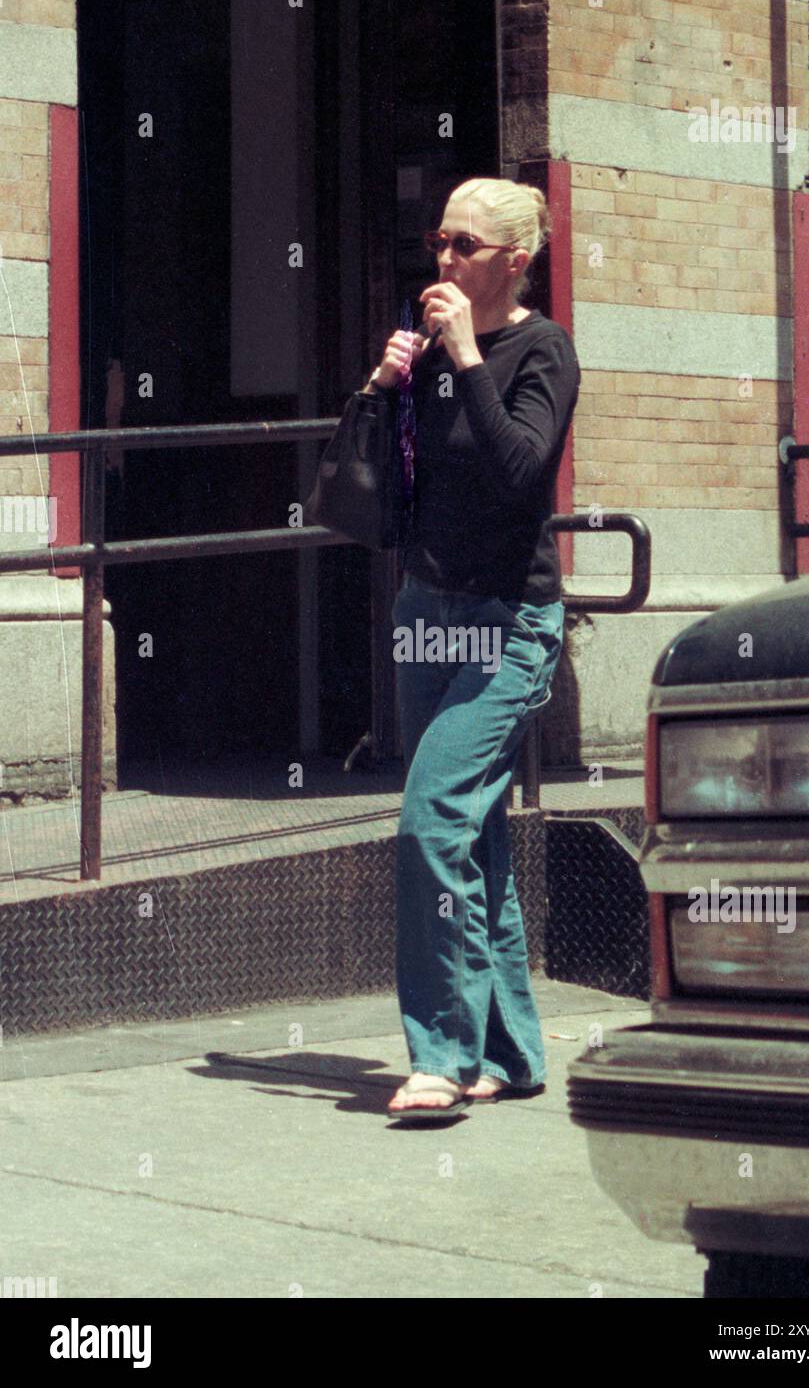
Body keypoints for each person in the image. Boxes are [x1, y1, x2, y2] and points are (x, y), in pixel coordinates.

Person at [363, 177, 581, 1122]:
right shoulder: (430, 355)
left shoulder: (543, 351)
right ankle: (516, 1053)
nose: (442, 262)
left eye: (464, 246)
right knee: (474, 840)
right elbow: (381, 485)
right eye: (437, 242)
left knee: (430, 821)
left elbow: (521, 471)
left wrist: (464, 356)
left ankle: (440, 1058)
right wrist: (383, 392)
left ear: (514, 261)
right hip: (426, 610)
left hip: (509, 624)